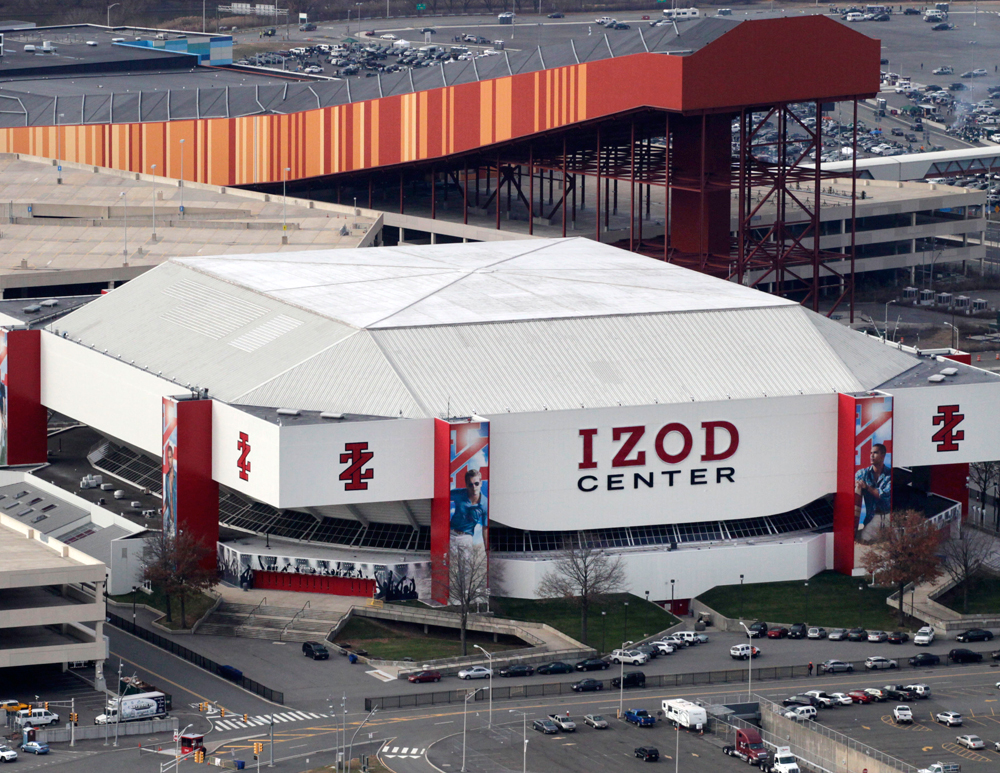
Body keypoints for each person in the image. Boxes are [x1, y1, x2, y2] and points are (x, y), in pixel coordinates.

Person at [855, 443, 891, 536]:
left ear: (883, 455)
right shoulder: (863, 473)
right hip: (869, 521)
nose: (871, 455)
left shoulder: (890, 475)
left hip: (888, 522)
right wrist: (857, 485)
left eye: (875, 453)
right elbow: (853, 488)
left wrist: (867, 487)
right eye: (871, 453)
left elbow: (884, 495)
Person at [450, 467, 488, 546]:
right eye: (470, 484)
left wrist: (486, 549)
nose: (474, 487)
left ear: (481, 483)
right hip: (451, 534)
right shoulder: (458, 493)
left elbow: (485, 528)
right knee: (448, 558)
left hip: (467, 537)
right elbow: (441, 496)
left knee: (467, 558)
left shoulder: (485, 503)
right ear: (466, 485)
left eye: (476, 483)